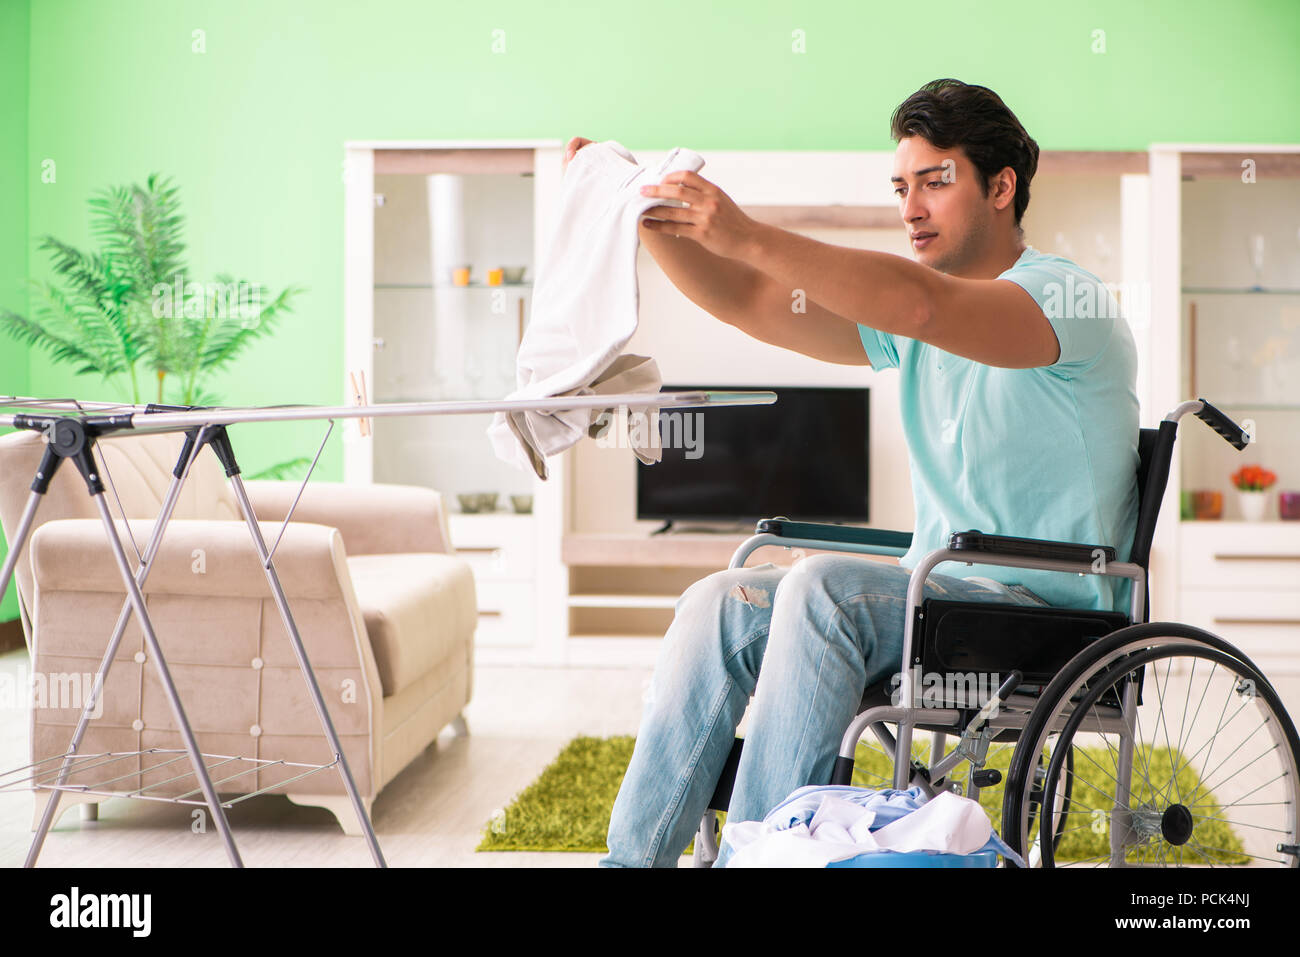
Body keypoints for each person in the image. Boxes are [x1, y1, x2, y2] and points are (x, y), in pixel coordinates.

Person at [581, 78, 1139, 867]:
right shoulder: (918, 321)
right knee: (720, 601)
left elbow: (919, 306)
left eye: (936, 182)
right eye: (901, 187)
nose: (911, 207)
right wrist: (635, 212)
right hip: (936, 600)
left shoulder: (1065, 299)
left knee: (822, 587)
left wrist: (745, 231)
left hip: (1049, 617)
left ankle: (756, 860)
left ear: (1002, 188)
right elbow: (747, 298)